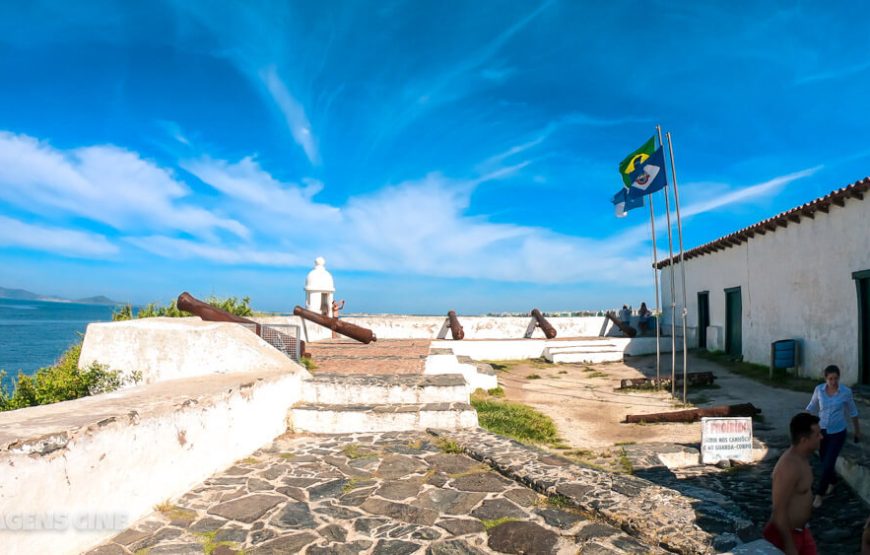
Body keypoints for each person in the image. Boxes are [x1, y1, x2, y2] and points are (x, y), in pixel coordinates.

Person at [764, 412, 822, 554]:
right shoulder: (789, 466)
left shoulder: (803, 458)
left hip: (802, 531)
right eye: (817, 435)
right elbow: (778, 511)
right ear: (804, 440)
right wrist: (789, 545)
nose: (822, 437)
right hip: (785, 535)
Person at [805, 364, 860, 508]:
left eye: (836, 378)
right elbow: (812, 406)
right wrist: (802, 421)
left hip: (838, 433)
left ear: (839, 378)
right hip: (822, 433)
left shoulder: (845, 392)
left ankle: (819, 494)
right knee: (825, 462)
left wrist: (857, 431)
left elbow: (853, 412)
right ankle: (833, 481)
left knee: (828, 463)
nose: (833, 382)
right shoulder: (819, 390)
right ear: (825, 378)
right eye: (830, 379)